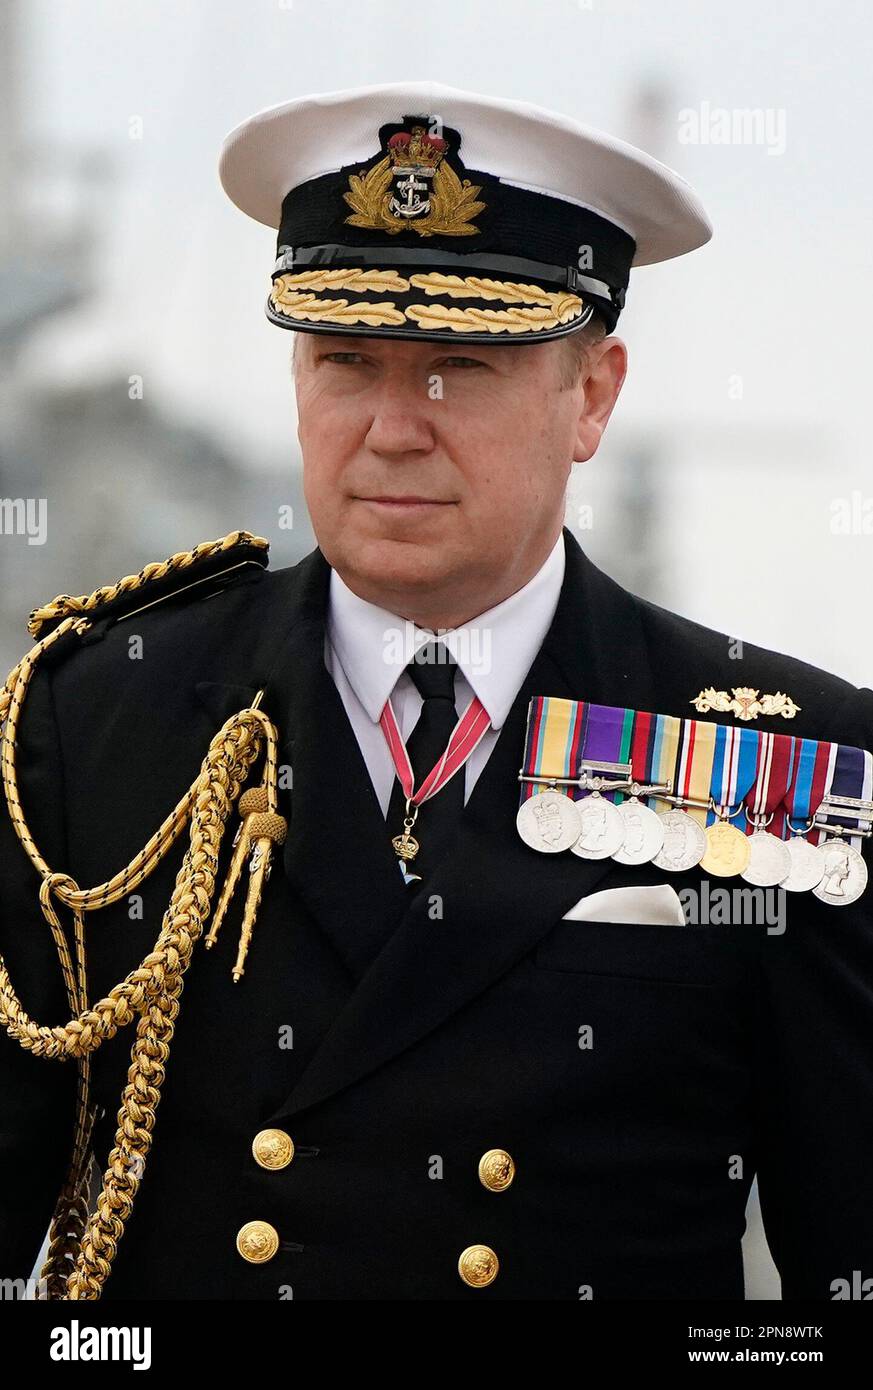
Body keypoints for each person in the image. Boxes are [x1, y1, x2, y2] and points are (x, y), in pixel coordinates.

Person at [0, 82, 871, 1302]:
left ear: (594, 395)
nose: (394, 428)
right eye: (346, 360)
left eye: (460, 364)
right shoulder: (96, 724)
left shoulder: (784, 764)